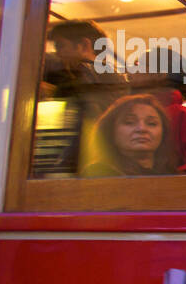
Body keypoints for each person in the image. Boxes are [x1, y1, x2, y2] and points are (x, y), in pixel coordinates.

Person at [43, 20, 129, 173]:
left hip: (90, 162)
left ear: (83, 45)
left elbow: (90, 121)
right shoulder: (110, 74)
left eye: (60, 46)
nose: (58, 53)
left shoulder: (89, 74)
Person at [128, 47, 186, 173]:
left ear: (160, 74)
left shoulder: (181, 115)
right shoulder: (129, 111)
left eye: (138, 65)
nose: (130, 71)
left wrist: (164, 180)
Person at [81, 93, 178, 177]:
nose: (142, 129)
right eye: (129, 122)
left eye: (151, 123)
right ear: (111, 130)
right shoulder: (99, 173)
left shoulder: (174, 176)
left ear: (163, 132)